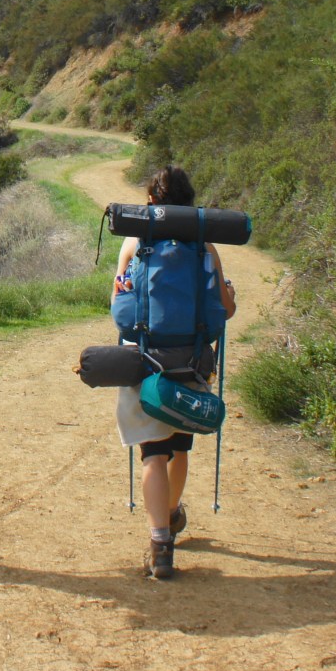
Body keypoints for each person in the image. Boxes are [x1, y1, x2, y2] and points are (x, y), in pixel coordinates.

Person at [112, 164, 235, 581]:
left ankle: (160, 543)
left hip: (147, 364)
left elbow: (118, 306)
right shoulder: (205, 247)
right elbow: (225, 310)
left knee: (152, 454)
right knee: (179, 448)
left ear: (151, 203)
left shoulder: (134, 242)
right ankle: (171, 512)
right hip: (193, 364)